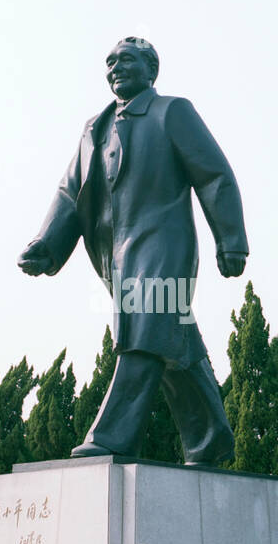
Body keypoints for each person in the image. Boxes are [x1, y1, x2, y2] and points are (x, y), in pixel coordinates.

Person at [18, 37, 248, 464]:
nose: (115, 69)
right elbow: (71, 193)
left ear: (151, 69)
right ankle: (210, 436)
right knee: (169, 338)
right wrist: (47, 245)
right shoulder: (94, 127)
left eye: (125, 60)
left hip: (164, 245)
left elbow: (214, 175)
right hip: (115, 256)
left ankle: (112, 437)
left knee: (143, 334)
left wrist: (231, 241)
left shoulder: (171, 112)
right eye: (109, 63)